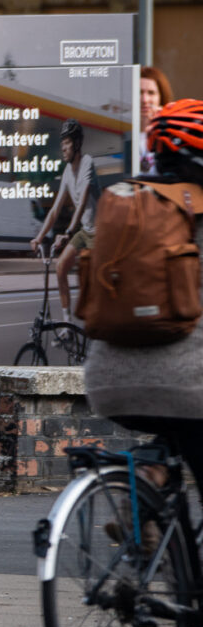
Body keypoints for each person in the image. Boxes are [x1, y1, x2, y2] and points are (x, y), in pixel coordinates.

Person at [84, 99, 203, 480]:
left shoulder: (125, 199)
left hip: (108, 382)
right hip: (189, 385)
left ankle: (151, 475)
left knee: (175, 431)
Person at [30, 119, 95, 319]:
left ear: (77, 144)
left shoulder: (87, 163)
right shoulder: (67, 172)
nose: (63, 148)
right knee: (60, 268)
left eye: (67, 143)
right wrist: (39, 237)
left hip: (100, 232)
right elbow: (55, 210)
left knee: (92, 282)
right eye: (62, 144)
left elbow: (82, 202)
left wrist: (67, 233)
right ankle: (67, 324)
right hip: (85, 230)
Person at [138, 66, 171, 174]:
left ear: (161, 97)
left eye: (151, 93)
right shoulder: (121, 135)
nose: (145, 100)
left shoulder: (171, 134)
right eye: (139, 92)